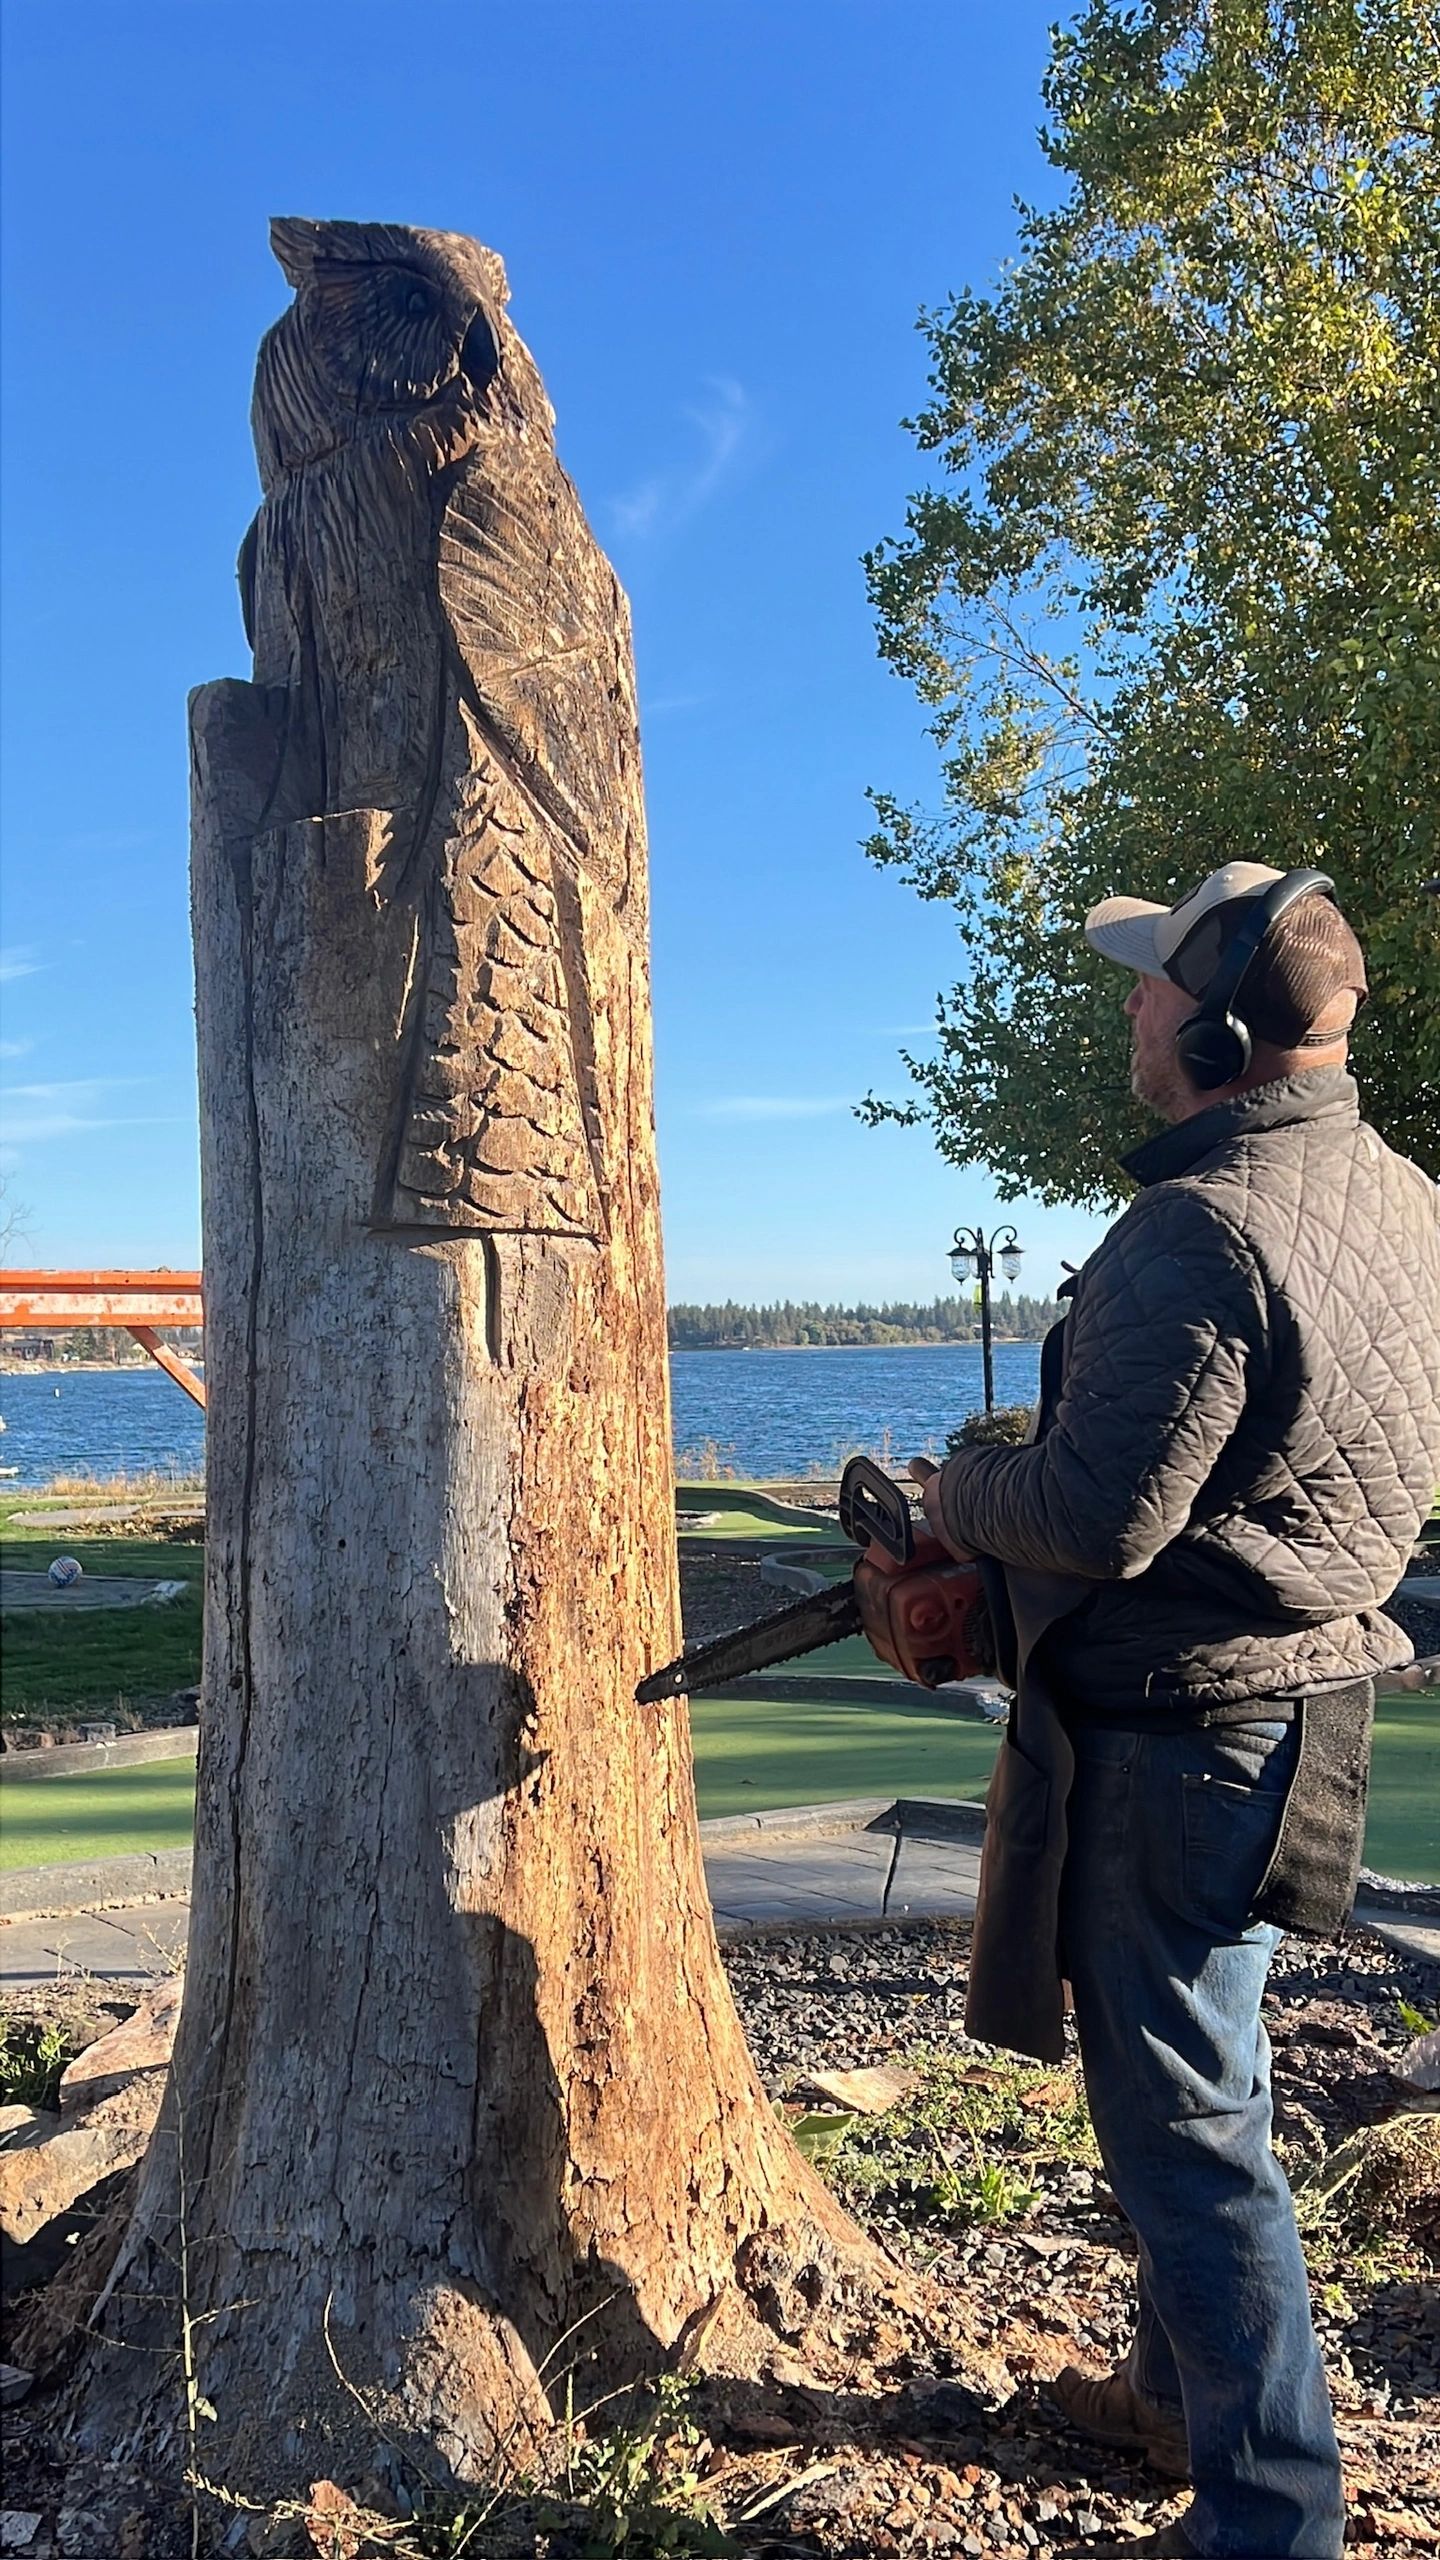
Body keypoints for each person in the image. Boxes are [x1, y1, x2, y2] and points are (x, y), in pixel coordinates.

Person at [909, 862, 1440, 2560]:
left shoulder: (1199, 1226)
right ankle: (1165, 2394)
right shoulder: (1403, 1195)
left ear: (1213, 1032)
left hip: (1183, 1732)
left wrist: (964, 1479)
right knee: (1211, 2080)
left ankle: (1270, 2521)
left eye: (1148, 987)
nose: (1130, 1006)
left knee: (1194, 2132)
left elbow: (1094, 1517)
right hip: (1298, 1710)